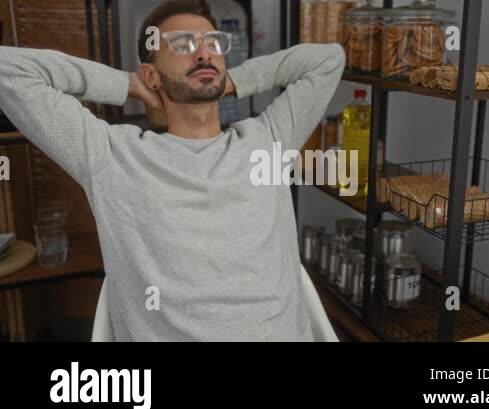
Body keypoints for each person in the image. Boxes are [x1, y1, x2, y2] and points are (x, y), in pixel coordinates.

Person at [0, 0, 345, 341]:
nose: (203, 54)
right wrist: (128, 85)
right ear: (151, 75)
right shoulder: (112, 155)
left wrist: (230, 80)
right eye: (182, 45)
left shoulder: (268, 139)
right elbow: (8, 70)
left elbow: (327, 60)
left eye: (212, 44)